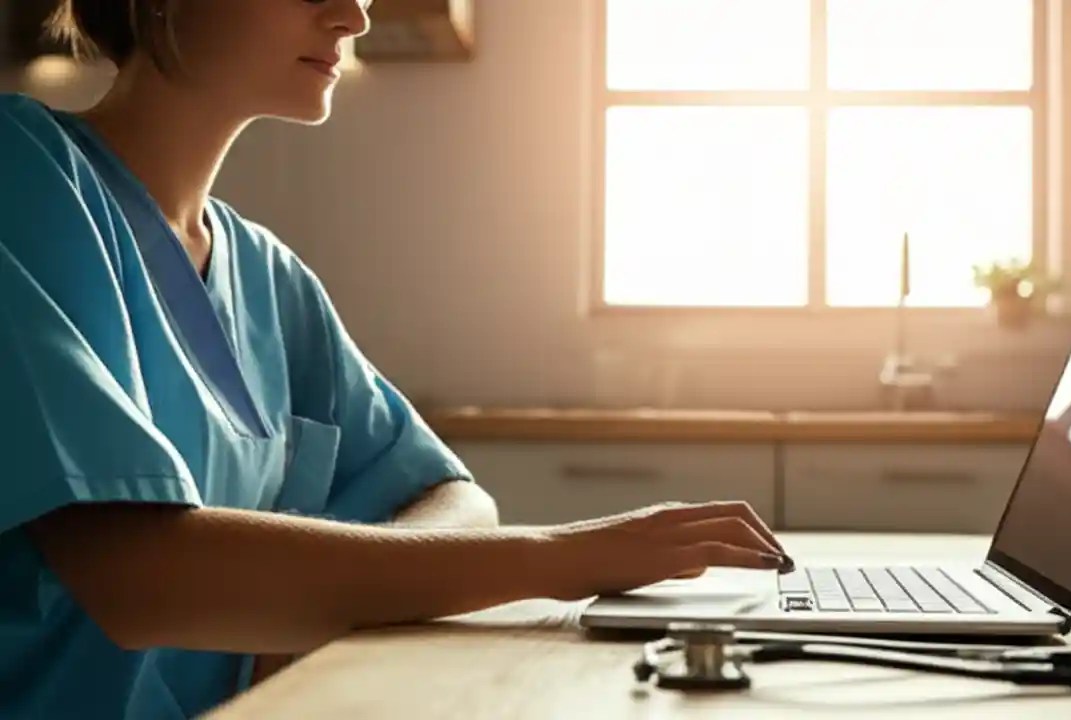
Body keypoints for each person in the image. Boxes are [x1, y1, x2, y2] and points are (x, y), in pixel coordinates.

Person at [0, 1, 790, 717]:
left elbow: (453, 498)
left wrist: (327, 599)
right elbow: (140, 581)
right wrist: (563, 555)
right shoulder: (22, 173)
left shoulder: (268, 274)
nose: (353, 17)